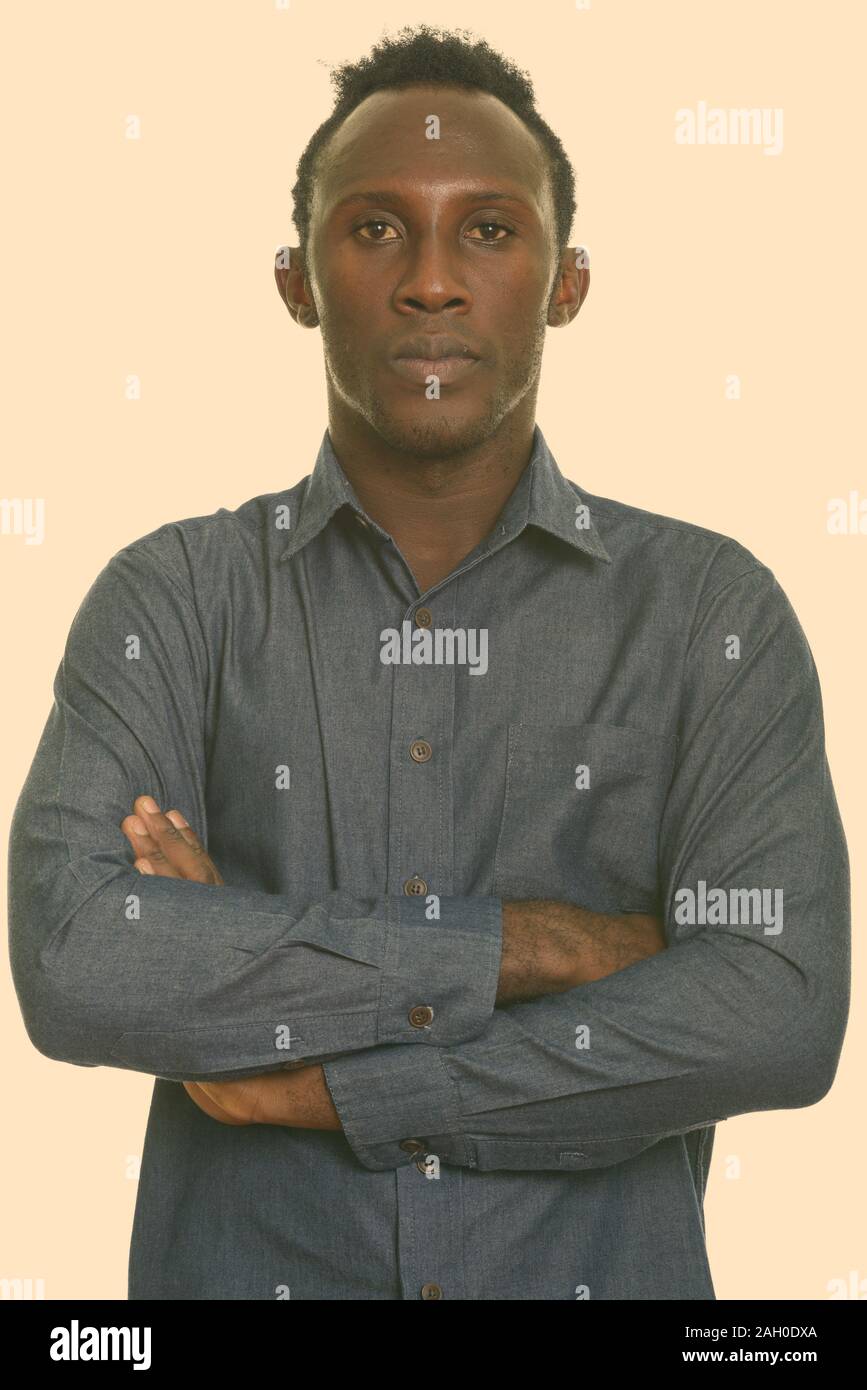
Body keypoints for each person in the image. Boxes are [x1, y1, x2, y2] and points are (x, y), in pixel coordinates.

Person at [8, 25, 850, 1301]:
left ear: (567, 282)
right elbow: (78, 961)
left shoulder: (709, 613)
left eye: (492, 232)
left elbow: (780, 1009)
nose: (433, 283)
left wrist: (319, 1082)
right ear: (297, 280)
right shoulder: (174, 600)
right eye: (378, 228)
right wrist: (546, 948)